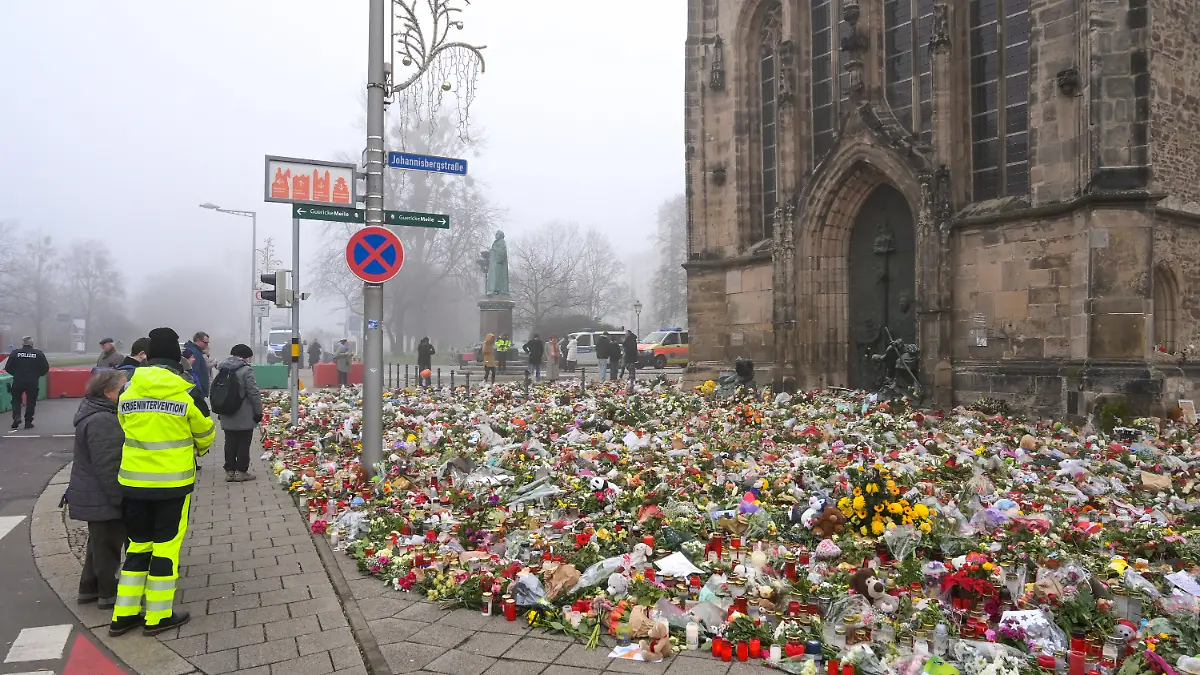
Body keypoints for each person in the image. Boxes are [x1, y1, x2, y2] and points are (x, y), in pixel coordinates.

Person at [110, 327, 214, 637]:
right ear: (176, 359)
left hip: (133, 483)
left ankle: (124, 614)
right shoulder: (186, 390)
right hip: (172, 484)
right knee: (165, 548)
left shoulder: (128, 389)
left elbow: (122, 424)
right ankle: (158, 616)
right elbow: (206, 431)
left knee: (138, 546)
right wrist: (198, 446)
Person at [69, 369, 128, 610]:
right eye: (121, 389)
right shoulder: (103, 420)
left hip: (91, 491)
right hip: (102, 495)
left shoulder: (92, 412)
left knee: (98, 543)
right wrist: (119, 498)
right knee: (108, 546)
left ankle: (88, 588)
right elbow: (109, 464)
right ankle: (107, 593)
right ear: (107, 392)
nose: (125, 392)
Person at [214, 344, 263, 482]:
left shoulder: (222, 368)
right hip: (244, 413)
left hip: (225, 411)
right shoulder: (245, 370)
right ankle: (241, 471)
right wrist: (258, 411)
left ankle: (229, 471)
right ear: (245, 357)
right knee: (243, 441)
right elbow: (253, 393)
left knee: (229, 441)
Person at [5, 336, 49, 430]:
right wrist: (37, 375)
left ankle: (17, 417)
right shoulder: (38, 354)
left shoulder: (15, 353)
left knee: (16, 399)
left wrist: (16, 374)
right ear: (32, 344)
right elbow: (45, 368)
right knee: (31, 402)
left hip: (18, 380)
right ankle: (28, 422)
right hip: (32, 381)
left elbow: (8, 367)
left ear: (22, 343)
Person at [183, 332, 211, 399]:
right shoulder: (195, 353)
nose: (207, 345)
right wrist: (199, 390)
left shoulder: (196, 352)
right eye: (205, 343)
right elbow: (194, 372)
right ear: (198, 340)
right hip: (197, 392)